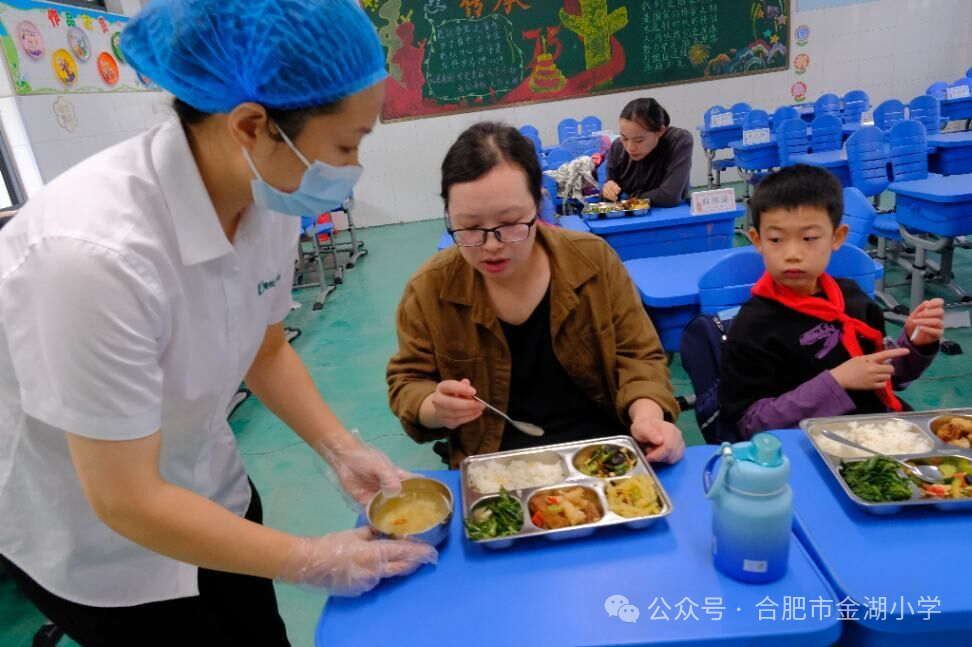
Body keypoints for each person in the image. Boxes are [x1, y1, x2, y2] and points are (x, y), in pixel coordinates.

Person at [0, 1, 435, 645]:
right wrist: (307, 558)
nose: (351, 169)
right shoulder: (92, 256)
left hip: (209, 484)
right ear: (252, 125)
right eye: (347, 144)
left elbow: (266, 350)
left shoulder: (269, 196)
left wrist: (337, 446)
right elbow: (127, 499)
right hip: (101, 542)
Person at [387, 122, 684, 468]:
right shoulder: (430, 289)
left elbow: (639, 355)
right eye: (469, 228)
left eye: (511, 222)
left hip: (601, 455)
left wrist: (647, 415)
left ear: (539, 204)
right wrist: (435, 408)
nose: (492, 246)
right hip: (494, 466)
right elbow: (408, 382)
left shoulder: (592, 261)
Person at [719, 165, 943, 437]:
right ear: (757, 241)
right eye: (776, 239)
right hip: (810, 447)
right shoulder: (752, 327)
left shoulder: (852, 298)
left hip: (880, 430)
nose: (792, 254)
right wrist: (836, 382)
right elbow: (750, 423)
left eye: (809, 238)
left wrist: (916, 344)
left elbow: (886, 375)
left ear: (837, 237)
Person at [601, 98, 693, 207]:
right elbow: (609, 198)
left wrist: (631, 198)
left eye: (638, 140)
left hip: (673, 215)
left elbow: (670, 196)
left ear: (660, 131)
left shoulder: (679, 141)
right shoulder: (617, 147)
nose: (630, 148)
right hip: (634, 215)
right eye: (624, 138)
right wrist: (607, 192)